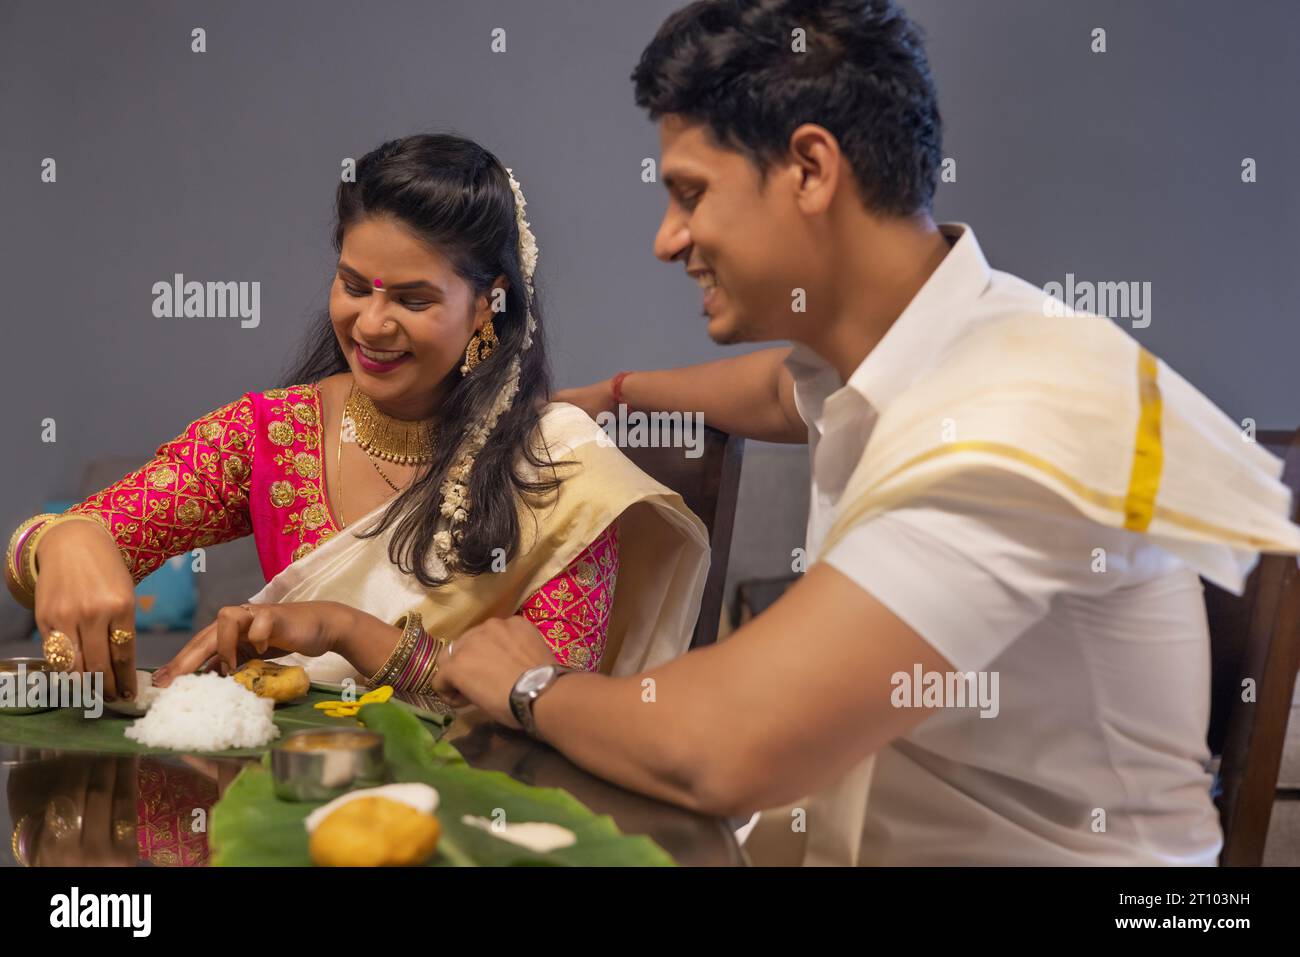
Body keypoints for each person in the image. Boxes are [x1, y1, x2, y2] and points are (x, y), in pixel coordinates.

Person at [427, 0, 1300, 865]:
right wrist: (618, 393)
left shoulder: (1012, 425)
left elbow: (724, 746)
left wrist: (532, 684)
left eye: (691, 194)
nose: (668, 238)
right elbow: (782, 389)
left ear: (811, 169)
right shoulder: (924, 340)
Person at [4, 133, 709, 703]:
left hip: (474, 810)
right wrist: (64, 542)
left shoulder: (557, 469)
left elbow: (546, 699)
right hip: (286, 797)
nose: (371, 323)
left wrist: (345, 629)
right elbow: (38, 552)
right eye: (353, 286)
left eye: (412, 299)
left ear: (487, 304)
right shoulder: (275, 434)